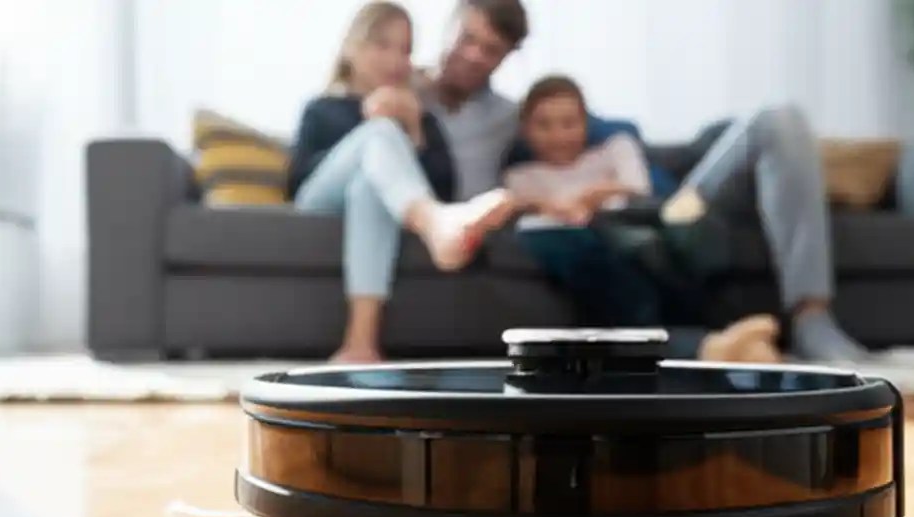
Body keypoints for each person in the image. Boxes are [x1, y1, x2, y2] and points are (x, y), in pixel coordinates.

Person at [418, 0, 867, 362]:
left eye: (491, 48)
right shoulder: (413, 95)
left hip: (675, 207)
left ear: (508, 57)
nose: (475, 54)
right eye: (468, 38)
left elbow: (588, 133)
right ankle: (716, 344)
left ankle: (812, 320)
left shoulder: (513, 117)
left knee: (779, 119)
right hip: (615, 232)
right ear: (448, 26)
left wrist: (619, 175)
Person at [287, 1, 515, 363]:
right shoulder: (323, 109)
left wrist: (413, 129)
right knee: (378, 135)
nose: (395, 59)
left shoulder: (423, 119)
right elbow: (299, 179)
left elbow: (444, 187)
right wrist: (369, 128)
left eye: (406, 49)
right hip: (318, 201)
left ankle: (360, 344)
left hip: (379, 205)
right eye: (383, 45)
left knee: (368, 187)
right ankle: (437, 225)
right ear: (353, 47)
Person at [504, 75, 780, 363]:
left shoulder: (615, 148)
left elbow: (638, 188)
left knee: (676, 247)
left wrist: (590, 195)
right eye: (543, 125)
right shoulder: (521, 176)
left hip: (633, 237)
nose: (558, 136)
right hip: (581, 248)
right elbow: (525, 207)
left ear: (586, 122)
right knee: (596, 266)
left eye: (568, 123)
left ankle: (721, 341)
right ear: (525, 129)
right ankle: (712, 346)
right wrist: (560, 206)